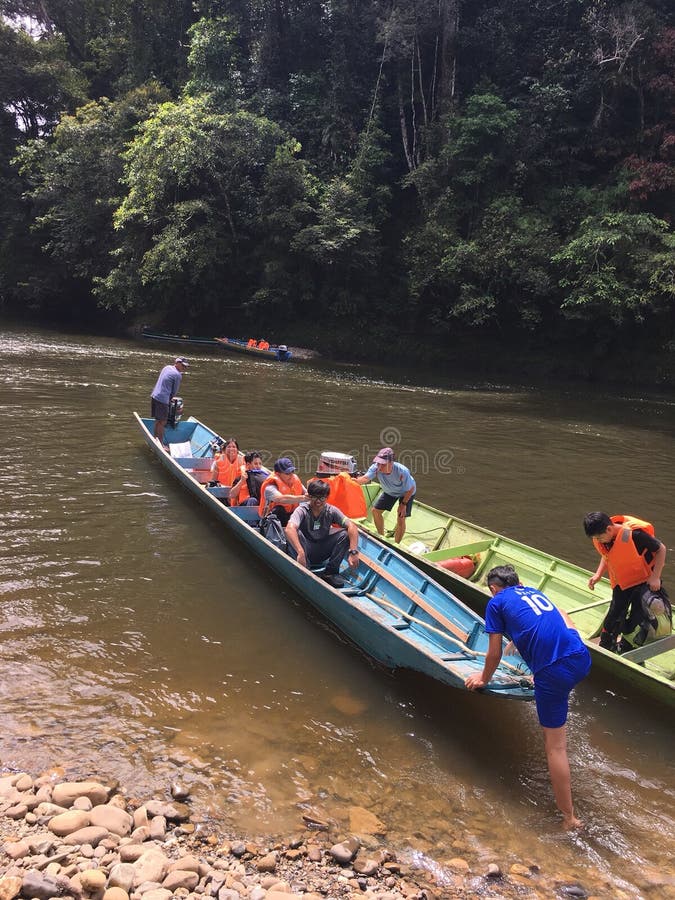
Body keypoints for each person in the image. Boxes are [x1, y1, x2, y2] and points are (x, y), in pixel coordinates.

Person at [465, 565, 591, 830]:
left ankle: (569, 818)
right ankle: (542, 672)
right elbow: (560, 615)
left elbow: (494, 653)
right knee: (559, 629)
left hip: (554, 673)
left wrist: (483, 679)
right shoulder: (533, 591)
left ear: (493, 589)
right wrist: (520, 641)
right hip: (581, 656)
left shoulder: (496, 602)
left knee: (555, 748)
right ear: (518, 583)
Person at [583, 511, 667, 652]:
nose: (598, 541)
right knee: (614, 614)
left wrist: (655, 577)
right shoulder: (605, 538)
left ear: (609, 529)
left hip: (644, 582)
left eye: (599, 537)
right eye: (595, 538)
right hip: (623, 581)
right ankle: (606, 645)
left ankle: (628, 648)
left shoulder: (635, 535)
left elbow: (661, 549)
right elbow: (607, 554)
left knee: (637, 617)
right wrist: (598, 574)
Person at [286, 480, 361, 588]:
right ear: (309, 496)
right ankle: (305, 570)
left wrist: (353, 552)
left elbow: (352, 526)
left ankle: (330, 573)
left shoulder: (331, 510)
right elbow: (289, 529)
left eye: (322, 498)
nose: (318, 501)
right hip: (304, 552)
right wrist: (300, 552)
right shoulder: (302, 510)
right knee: (295, 532)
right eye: (314, 497)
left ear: (327, 497)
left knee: (345, 534)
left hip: (321, 550)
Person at [355, 447, 416, 543]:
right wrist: (355, 481)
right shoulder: (375, 468)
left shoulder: (402, 471)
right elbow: (365, 479)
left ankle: (396, 545)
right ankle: (381, 538)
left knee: (401, 517)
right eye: (378, 463)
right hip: (390, 492)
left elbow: (410, 489)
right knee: (375, 511)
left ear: (391, 463)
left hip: (406, 493)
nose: (380, 467)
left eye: (383, 464)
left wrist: (403, 504)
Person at [258, 457, 308, 526]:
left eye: (292, 472)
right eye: (287, 473)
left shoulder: (294, 480)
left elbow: (307, 493)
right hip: (271, 521)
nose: (291, 475)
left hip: (290, 515)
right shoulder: (270, 486)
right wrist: (303, 498)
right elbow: (280, 499)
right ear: (278, 474)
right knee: (279, 509)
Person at [150, 357, 189, 445]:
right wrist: (170, 399)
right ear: (177, 362)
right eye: (183, 366)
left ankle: (155, 439)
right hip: (162, 399)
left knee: (158, 420)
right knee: (162, 422)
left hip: (155, 395)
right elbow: (174, 391)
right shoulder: (177, 375)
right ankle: (160, 444)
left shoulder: (167, 367)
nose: (184, 368)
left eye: (186, 366)